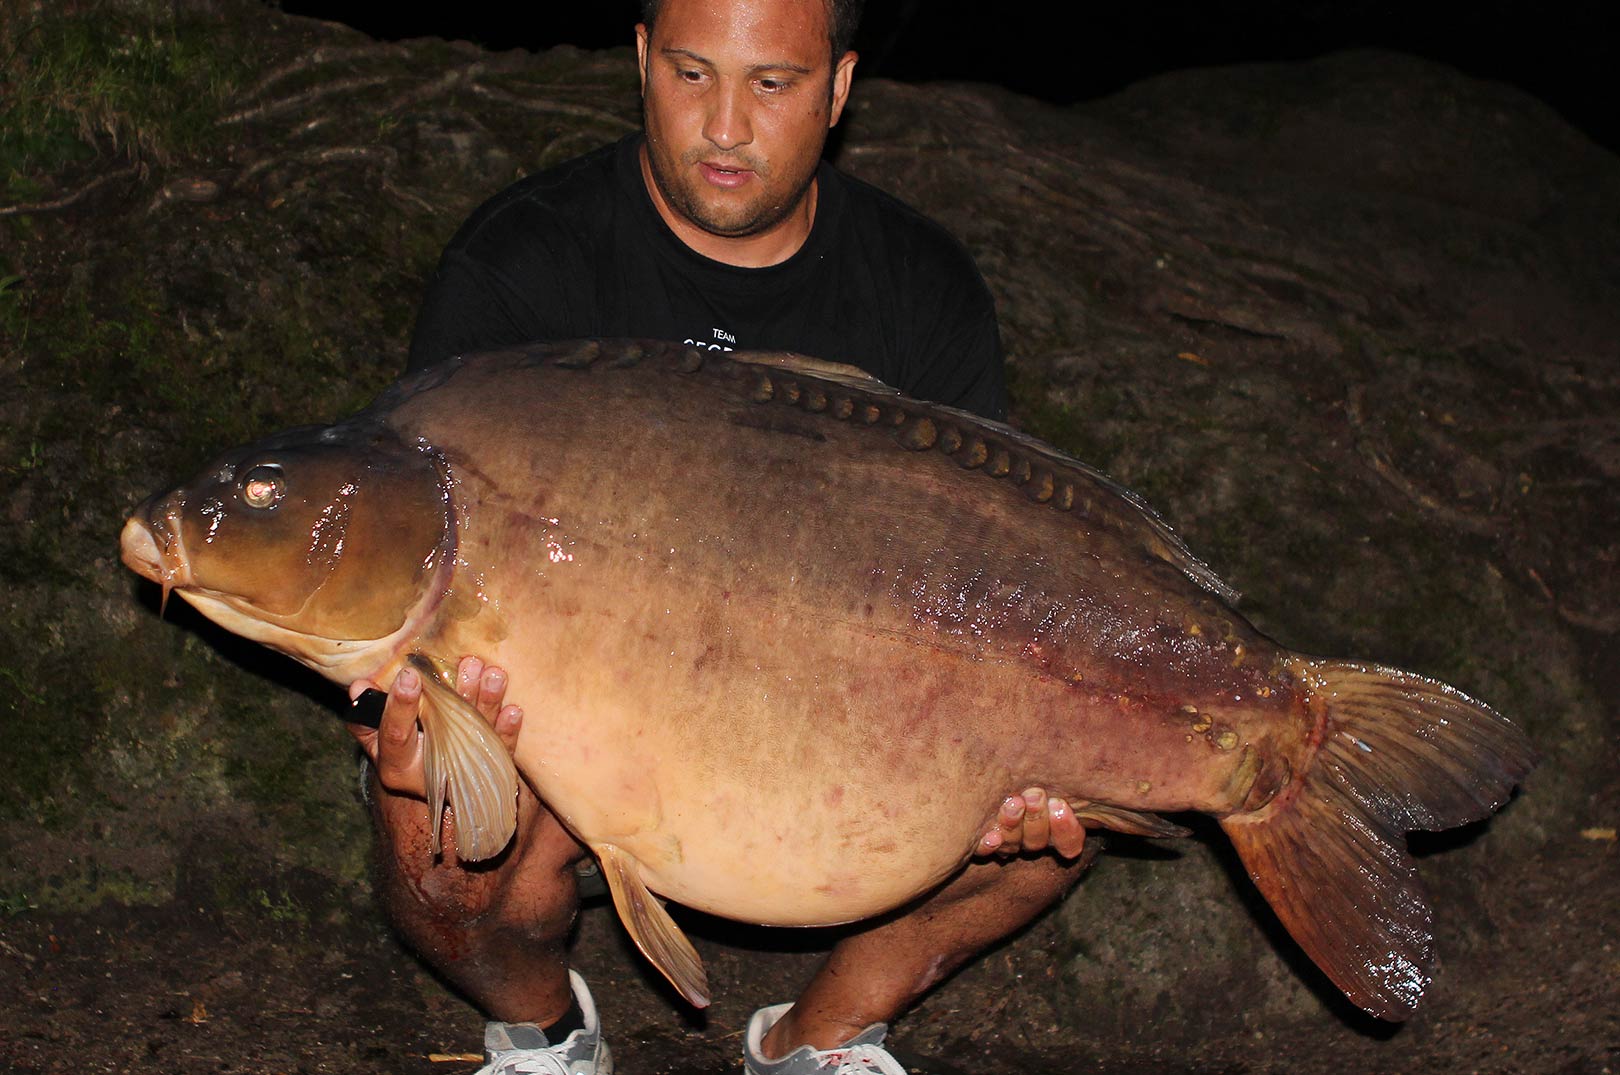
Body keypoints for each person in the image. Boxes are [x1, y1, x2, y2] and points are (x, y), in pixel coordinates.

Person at [347, 1, 1090, 1072]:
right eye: (693, 75)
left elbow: (988, 573)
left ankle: (820, 1037)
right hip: (578, 738)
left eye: (773, 85)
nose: (726, 126)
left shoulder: (921, 287)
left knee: (1060, 814)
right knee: (429, 815)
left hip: (843, 722)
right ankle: (544, 1028)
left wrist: (995, 759)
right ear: (643, 58)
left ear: (839, 89)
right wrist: (399, 715)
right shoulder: (522, 263)